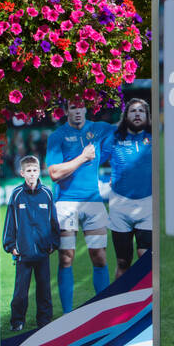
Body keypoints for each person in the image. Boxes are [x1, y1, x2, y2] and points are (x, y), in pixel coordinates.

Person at [45, 100, 116, 312]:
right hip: (66, 203)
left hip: (93, 202)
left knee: (100, 256)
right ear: (66, 111)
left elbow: (125, 132)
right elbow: (55, 173)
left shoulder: (99, 129)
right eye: (73, 107)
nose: (77, 111)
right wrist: (83, 157)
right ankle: (68, 314)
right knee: (66, 258)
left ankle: (101, 311)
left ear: (87, 108)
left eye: (81, 106)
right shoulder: (57, 137)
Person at [2, 155, 60, 331]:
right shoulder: (17, 194)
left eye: (35, 170)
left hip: (43, 252)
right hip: (23, 253)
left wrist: (53, 243)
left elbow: (54, 222)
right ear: (22, 173)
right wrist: (11, 246)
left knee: (44, 290)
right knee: (20, 292)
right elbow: (10, 222)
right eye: (29, 171)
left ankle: (44, 321)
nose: (32, 174)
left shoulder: (47, 194)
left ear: (39, 171)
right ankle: (17, 321)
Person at [109, 97, 152, 279]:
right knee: (123, 262)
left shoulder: (153, 137)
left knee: (146, 258)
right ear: (125, 115)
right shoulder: (114, 137)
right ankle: (119, 302)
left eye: (141, 111)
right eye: (132, 110)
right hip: (120, 206)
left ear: (147, 116)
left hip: (147, 205)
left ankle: (146, 303)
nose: (137, 114)